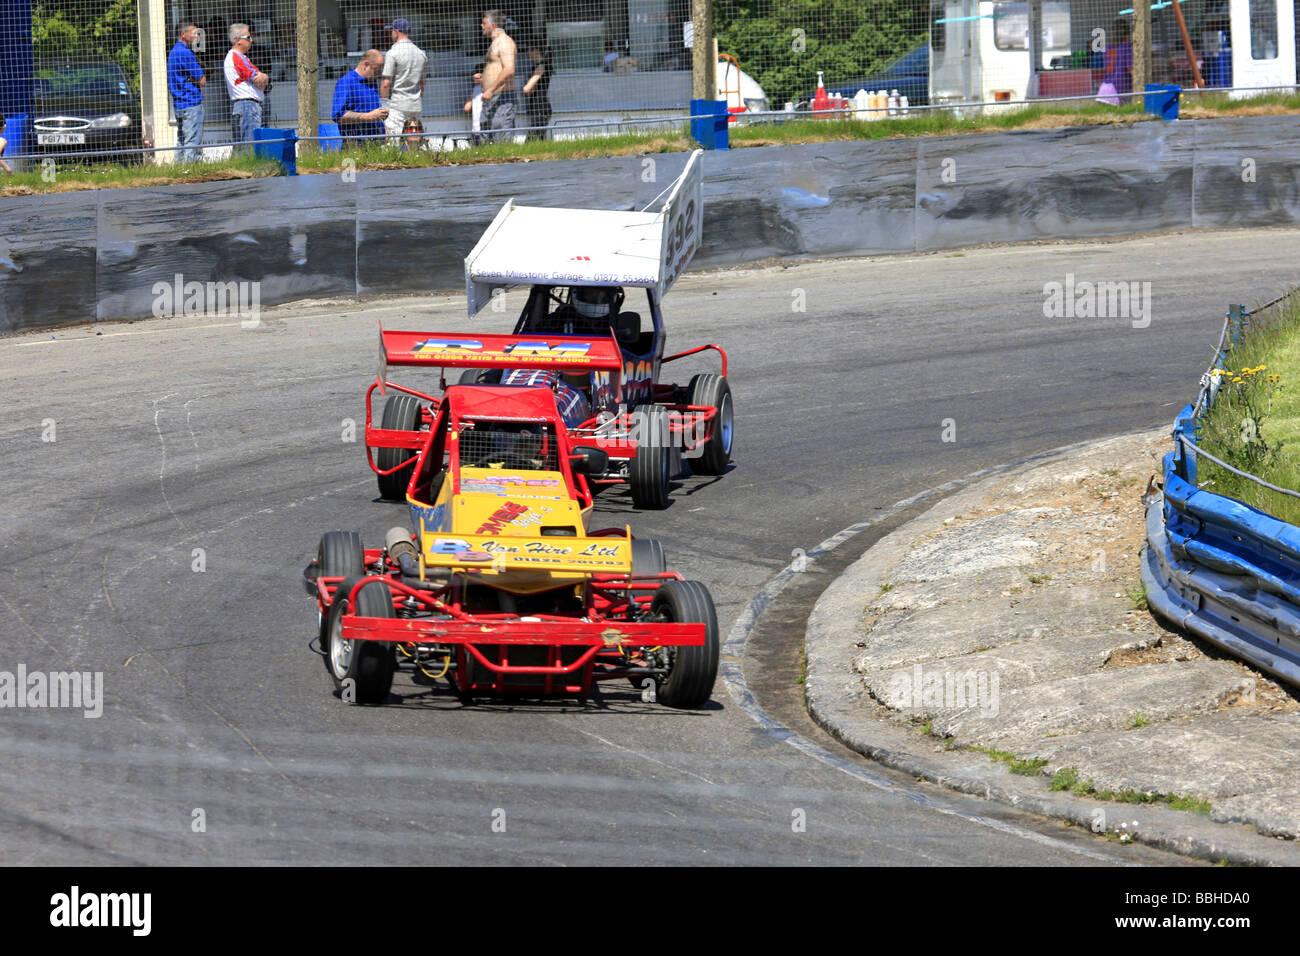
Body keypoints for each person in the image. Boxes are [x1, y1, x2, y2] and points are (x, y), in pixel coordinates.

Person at [379, 17, 426, 145]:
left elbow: (386, 82)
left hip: (398, 104)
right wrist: (418, 97)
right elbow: (422, 82)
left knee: (392, 140)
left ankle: (392, 162)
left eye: (392, 31)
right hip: (415, 104)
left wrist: (384, 105)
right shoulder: (420, 53)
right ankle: (416, 160)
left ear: (396, 31)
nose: (391, 34)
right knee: (414, 140)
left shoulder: (393, 52)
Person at [224, 23, 268, 147]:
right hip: (247, 105)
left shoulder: (239, 57)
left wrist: (263, 78)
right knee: (250, 145)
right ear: (238, 40)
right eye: (248, 37)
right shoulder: (237, 57)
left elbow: (259, 79)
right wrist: (265, 77)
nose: (251, 40)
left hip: (243, 105)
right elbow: (258, 80)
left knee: (243, 146)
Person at [167, 22, 206, 164]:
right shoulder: (186, 53)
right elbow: (202, 80)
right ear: (183, 34)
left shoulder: (173, 52)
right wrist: (194, 79)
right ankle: (190, 170)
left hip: (179, 104)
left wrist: (189, 78)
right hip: (191, 103)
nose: (197, 36)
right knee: (192, 141)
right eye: (194, 33)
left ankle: (179, 168)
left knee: (181, 140)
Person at [332, 49, 388, 143]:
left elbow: (373, 111)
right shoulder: (346, 82)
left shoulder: (372, 82)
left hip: (376, 143)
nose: (379, 74)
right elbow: (338, 116)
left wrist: (383, 127)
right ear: (366, 65)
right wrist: (367, 116)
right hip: (356, 144)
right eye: (376, 70)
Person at [478, 10, 517, 143]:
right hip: (490, 99)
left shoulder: (504, 42)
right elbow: (496, 68)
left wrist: (490, 89)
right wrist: (482, 78)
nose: (481, 26)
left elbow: (509, 69)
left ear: (493, 25)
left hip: (502, 98)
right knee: (486, 139)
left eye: (484, 23)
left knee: (501, 139)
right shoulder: (494, 43)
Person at [1098, 18, 1132, 106]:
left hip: (1105, 88)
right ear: (1127, 32)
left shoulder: (1107, 48)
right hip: (1121, 88)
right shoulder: (1127, 47)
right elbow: (1131, 69)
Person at [521, 45, 552, 141]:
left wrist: (527, 87)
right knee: (538, 139)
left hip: (541, 108)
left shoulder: (542, 66)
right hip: (535, 106)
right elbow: (530, 91)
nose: (527, 53)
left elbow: (527, 89)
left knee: (532, 140)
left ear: (536, 49)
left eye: (529, 50)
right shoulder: (535, 67)